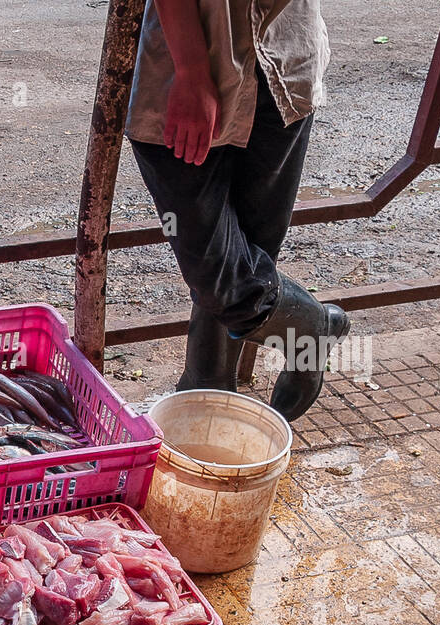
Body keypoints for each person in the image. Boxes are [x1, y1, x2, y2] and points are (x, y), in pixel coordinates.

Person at [126, 0, 349, 421]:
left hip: (285, 64)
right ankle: (311, 329)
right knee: (216, 268)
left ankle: (205, 389)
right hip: (181, 68)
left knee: (252, 245)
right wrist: (192, 71)